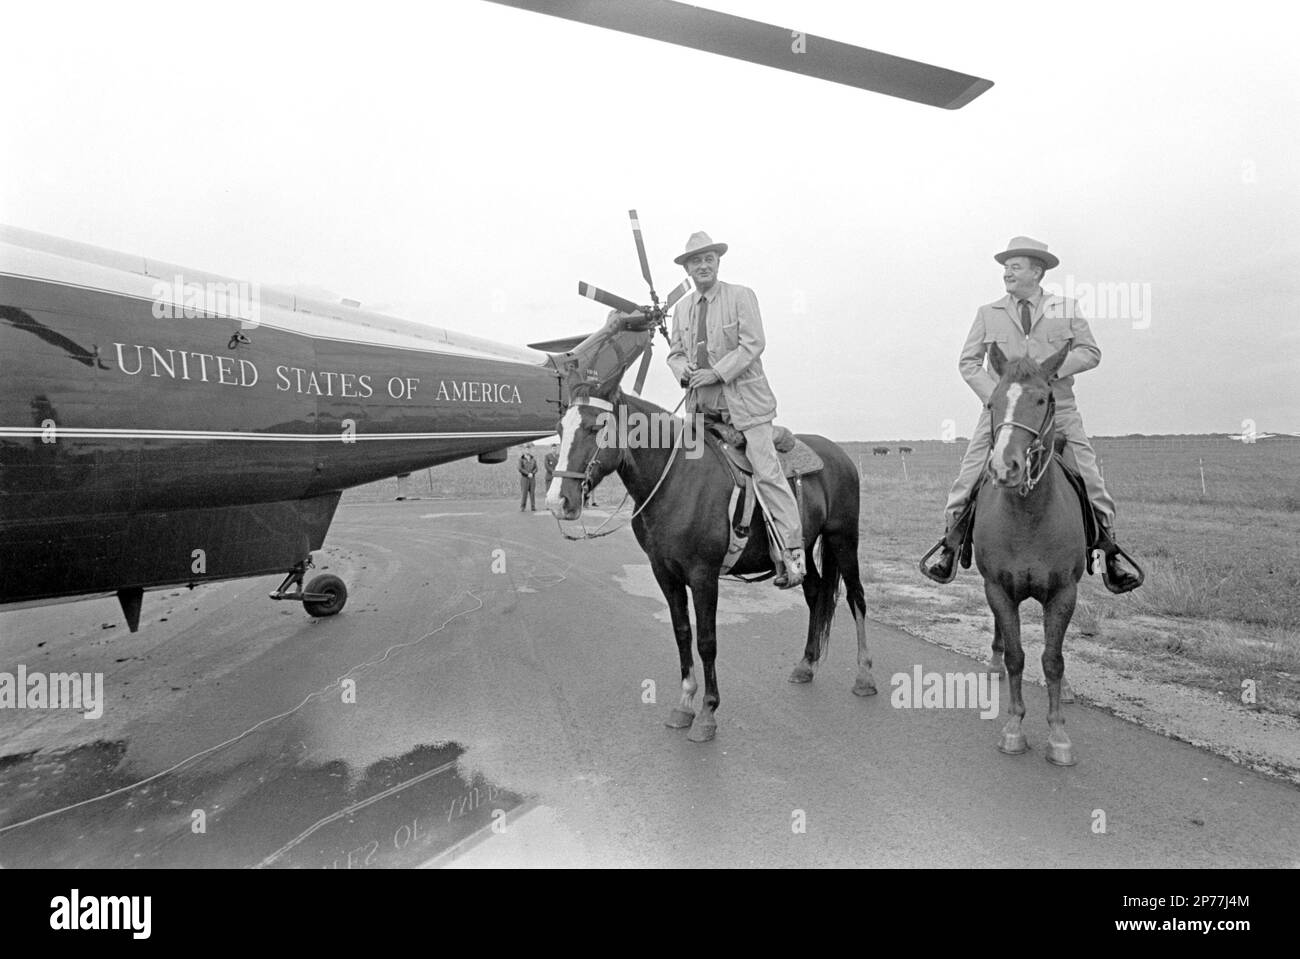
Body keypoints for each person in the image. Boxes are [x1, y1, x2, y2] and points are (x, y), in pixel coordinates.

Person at [920, 236, 1142, 593]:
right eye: (1006, 267)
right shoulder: (987, 313)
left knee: (1088, 474)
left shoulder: (1065, 308)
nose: (1007, 272)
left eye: (1015, 266)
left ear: (1037, 271)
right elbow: (968, 361)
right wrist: (997, 395)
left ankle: (1108, 553)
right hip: (1004, 412)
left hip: (1058, 407)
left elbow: (1090, 351)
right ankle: (950, 544)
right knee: (971, 471)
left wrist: (1048, 373)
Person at [666, 231, 805, 588]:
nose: (702, 265)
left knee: (766, 472)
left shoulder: (741, 296)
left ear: (717, 261)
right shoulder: (681, 310)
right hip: (700, 411)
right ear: (687, 268)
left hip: (746, 408)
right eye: (695, 261)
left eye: (708, 258)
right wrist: (684, 372)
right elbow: (675, 352)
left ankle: (792, 556)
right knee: (681, 472)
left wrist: (716, 372)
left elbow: (753, 344)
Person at [518, 447, 537, 511]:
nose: (528, 450)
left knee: (532, 493)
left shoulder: (533, 459)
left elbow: (536, 468)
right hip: (524, 478)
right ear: (524, 450)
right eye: (526, 449)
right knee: (524, 493)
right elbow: (520, 468)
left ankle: (533, 507)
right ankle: (522, 507)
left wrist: (532, 473)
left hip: (532, 478)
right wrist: (527, 474)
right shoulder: (521, 459)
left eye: (529, 449)